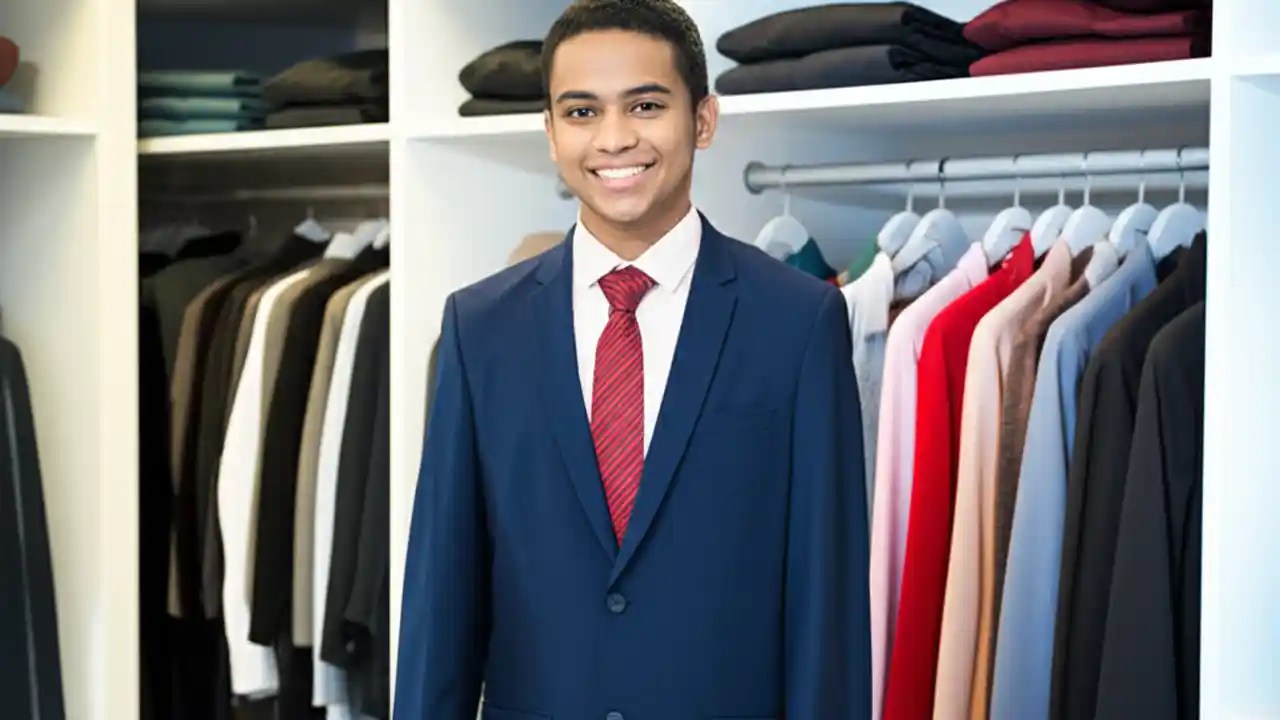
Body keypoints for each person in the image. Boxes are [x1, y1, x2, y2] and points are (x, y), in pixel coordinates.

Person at [395, 1, 871, 718]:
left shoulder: (798, 321)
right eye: (581, 113)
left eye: (645, 105)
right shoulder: (480, 328)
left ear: (702, 120)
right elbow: (444, 602)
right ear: (551, 134)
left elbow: (825, 607)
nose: (614, 139)